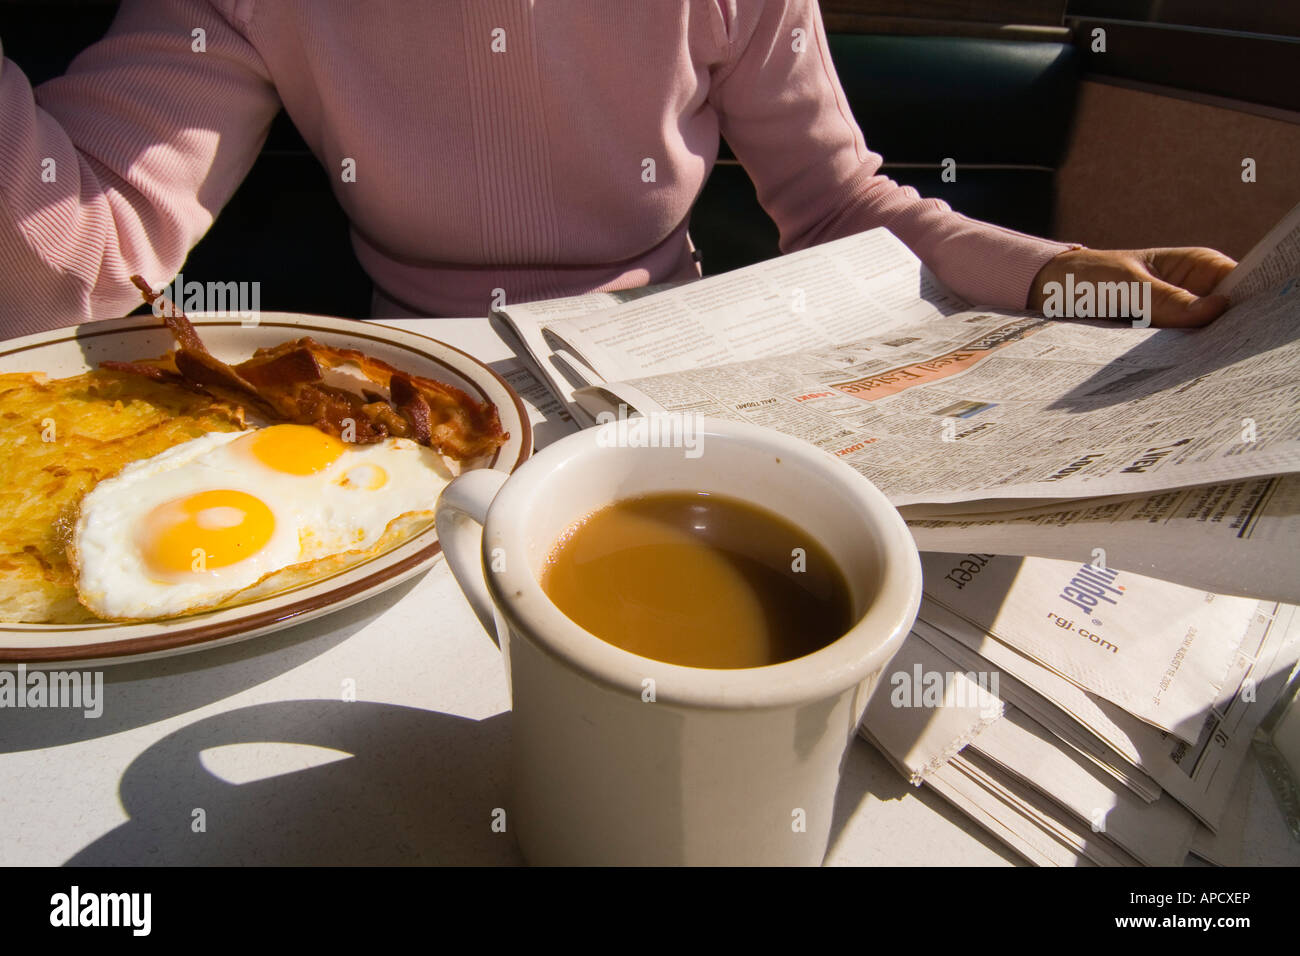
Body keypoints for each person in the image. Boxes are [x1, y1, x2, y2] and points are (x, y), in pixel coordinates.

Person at [0, 0, 1235, 337]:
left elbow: (841, 204)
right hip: (397, 406)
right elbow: (82, 259)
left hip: (668, 380)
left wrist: (1065, 275)